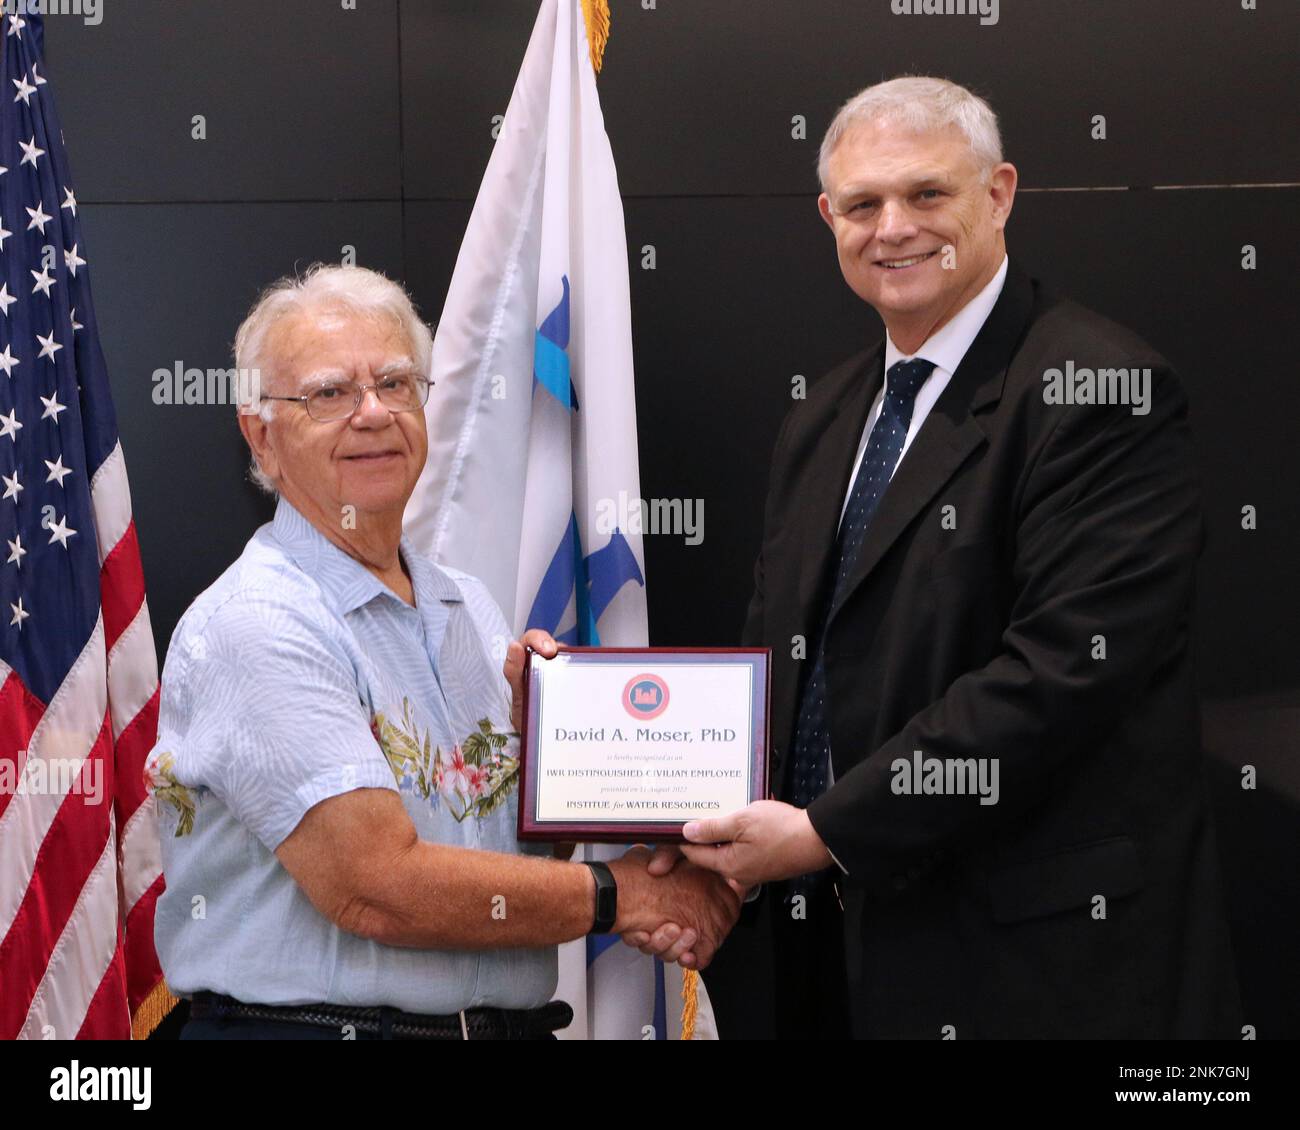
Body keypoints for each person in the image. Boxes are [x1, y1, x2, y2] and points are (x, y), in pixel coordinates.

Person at [632, 76, 1242, 1039]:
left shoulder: (1099, 389)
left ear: (998, 195)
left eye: (928, 195)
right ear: (829, 217)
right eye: (864, 204)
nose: (894, 228)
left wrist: (825, 833)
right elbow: (780, 676)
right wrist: (670, 799)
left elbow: (1056, 680)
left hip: (1031, 968)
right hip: (827, 959)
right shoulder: (823, 416)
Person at [147, 264, 738, 1040]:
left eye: (395, 383)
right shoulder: (259, 622)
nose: (373, 413)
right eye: (329, 393)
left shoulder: (469, 608)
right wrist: (624, 894)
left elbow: (511, 858)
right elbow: (379, 887)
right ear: (261, 431)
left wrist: (550, 760)